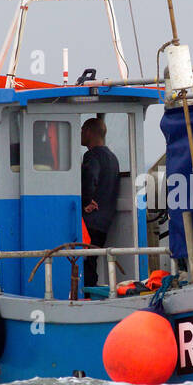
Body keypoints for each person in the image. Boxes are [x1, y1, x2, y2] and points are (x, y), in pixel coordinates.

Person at [81, 117, 120, 290]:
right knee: (92, 259)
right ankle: (92, 292)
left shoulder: (92, 155)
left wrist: (86, 201)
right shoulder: (112, 158)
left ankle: (87, 295)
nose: (80, 133)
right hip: (105, 221)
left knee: (85, 260)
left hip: (91, 221)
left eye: (82, 130)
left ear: (89, 131)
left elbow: (91, 177)